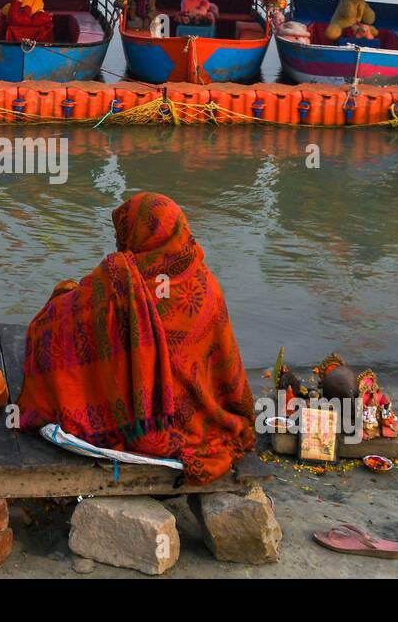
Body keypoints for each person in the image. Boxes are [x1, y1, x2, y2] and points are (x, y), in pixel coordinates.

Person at [17, 192, 256, 485]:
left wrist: (64, 294)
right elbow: (225, 366)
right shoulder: (206, 285)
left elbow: (52, 329)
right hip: (199, 423)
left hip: (142, 428)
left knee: (54, 334)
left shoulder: (119, 281)